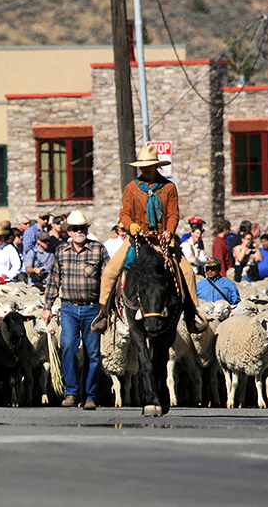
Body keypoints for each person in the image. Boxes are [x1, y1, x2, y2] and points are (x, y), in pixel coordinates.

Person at [93, 145, 202, 335]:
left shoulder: (168, 187)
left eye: (150, 166)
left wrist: (168, 232)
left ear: (156, 166)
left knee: (188, 274)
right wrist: (131, 226)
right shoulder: (131, 188)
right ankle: (104, 314)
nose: (146, 169)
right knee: (110, 272)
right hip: (136, 240)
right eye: (143, 166)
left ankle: (192, 317)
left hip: (162, 241)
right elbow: (124, 213)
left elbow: (173, 214)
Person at [42, 210, 108, 411]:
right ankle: (71, 393)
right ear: (68, 232)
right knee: (68, 346)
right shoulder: (61, 251)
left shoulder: (99, 250)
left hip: (93, 308)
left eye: (82, 228)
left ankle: (90, 396)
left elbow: (108, 280)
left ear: (87, 229)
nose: (78, 231)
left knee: (93, 353)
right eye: (74, 228)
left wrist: (107, 308)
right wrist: (47, 307)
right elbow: (53, 281)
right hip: (69, 307)